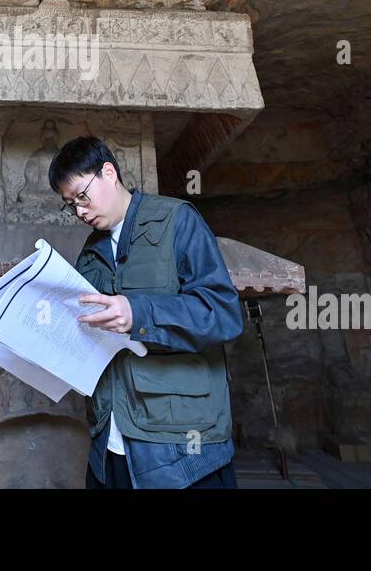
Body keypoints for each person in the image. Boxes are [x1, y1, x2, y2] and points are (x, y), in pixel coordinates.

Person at [49, 136, 243, 488]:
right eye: (69, 204)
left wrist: (139, 313)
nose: (79, 211)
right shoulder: (91, 251)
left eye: (81, 196)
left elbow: (223, 313)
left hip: (179, 445)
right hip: (109, 439)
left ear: (108, 173)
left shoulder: (176, 220)